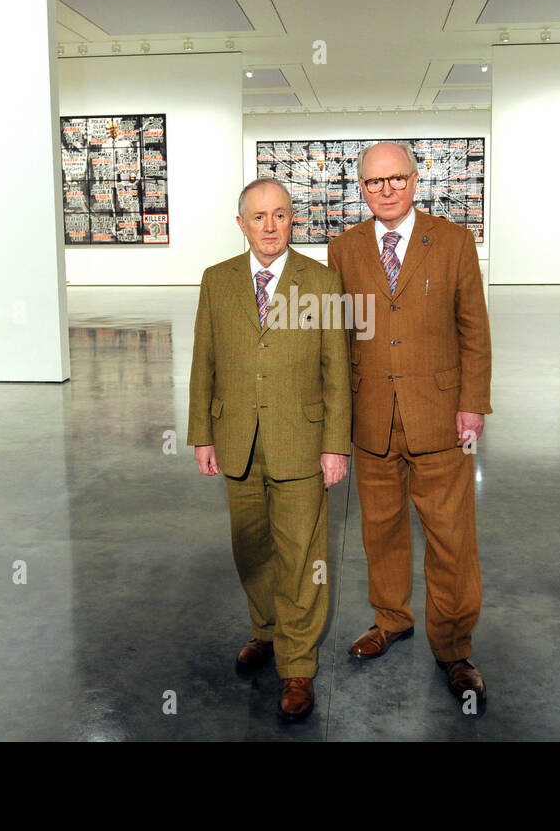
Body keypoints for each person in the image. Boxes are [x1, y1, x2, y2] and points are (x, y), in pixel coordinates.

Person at [326, 141, 492, 707]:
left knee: (451, 538)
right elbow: (340, 335)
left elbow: (474, 329)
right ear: (362, 189)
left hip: (439, 417)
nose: (387, 189)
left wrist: (473, 402)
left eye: (396, 178)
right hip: (371, 417)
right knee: (380, 532)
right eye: (374, 182)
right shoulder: (343, 249)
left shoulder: (451, 242)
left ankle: (454, 648)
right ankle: (391, 619)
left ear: (416, 181)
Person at [188, 177, 351, 722]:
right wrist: (201, 434)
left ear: (292, 219)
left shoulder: (322, 283)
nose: (270, 226)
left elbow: (336, 371)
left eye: (280, 215)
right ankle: (266, 630)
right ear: (241, 224)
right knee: (250, 545)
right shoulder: (216, 281)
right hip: (235, 439)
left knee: (304, 556)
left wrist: (335, 446)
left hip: (301, 442)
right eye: (258, 217)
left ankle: (298, 665)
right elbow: (203, 363)